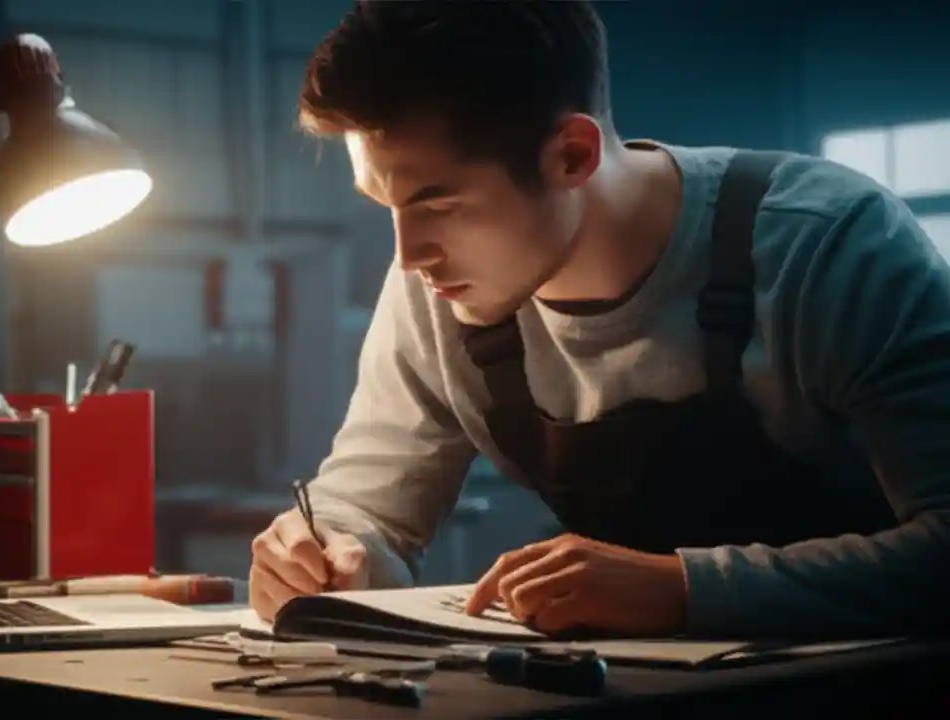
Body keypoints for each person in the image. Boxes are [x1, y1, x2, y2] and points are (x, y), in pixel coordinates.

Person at [247, 0, 950, 639]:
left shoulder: (827, 244)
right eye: (384, 204)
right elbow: (368, 512)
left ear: (573, 154)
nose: (408, 258)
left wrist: (685, 590)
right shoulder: (440, 290)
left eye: (440, 204)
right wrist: (332, 555)